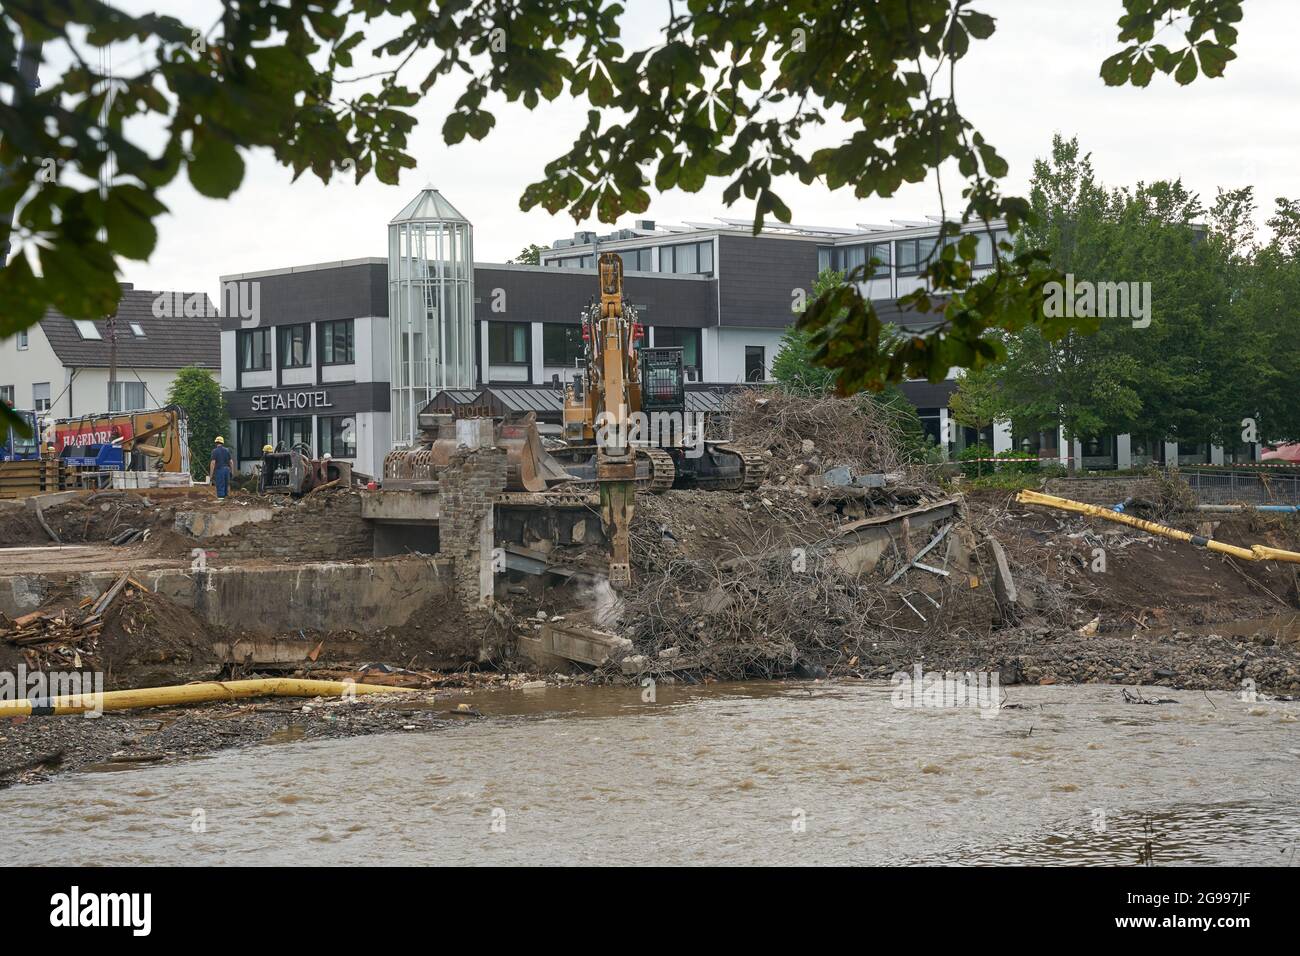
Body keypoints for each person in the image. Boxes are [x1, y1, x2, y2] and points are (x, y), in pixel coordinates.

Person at [209, 435, 233, 501]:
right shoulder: (227, 450)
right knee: (226, 485)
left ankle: (221, 502)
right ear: (222, 442)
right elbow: (231, 462)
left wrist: (211, 475)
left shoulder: (214, 451)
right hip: (227, 469)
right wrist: (231, 471)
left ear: (216, 443)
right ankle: (226, 500)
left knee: (220, 486)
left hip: (219, 470)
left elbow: (213, 463)